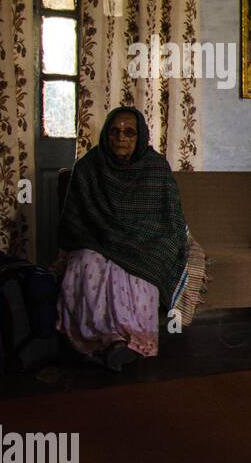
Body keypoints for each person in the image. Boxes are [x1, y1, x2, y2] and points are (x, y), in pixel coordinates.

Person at [55, 107, 193, 371]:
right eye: (114, 132)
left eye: (129, 132)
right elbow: (74, 221)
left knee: (139, 273)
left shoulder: (155, 168)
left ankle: (129, 342)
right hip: (96, 240)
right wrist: (103, 239)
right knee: (86, 265)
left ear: (140, 137)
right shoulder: (88, 167)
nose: (121, 138)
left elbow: (171, 219)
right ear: (106, 135)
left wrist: (145, 243)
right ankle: (100, 342)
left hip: (144, 242)